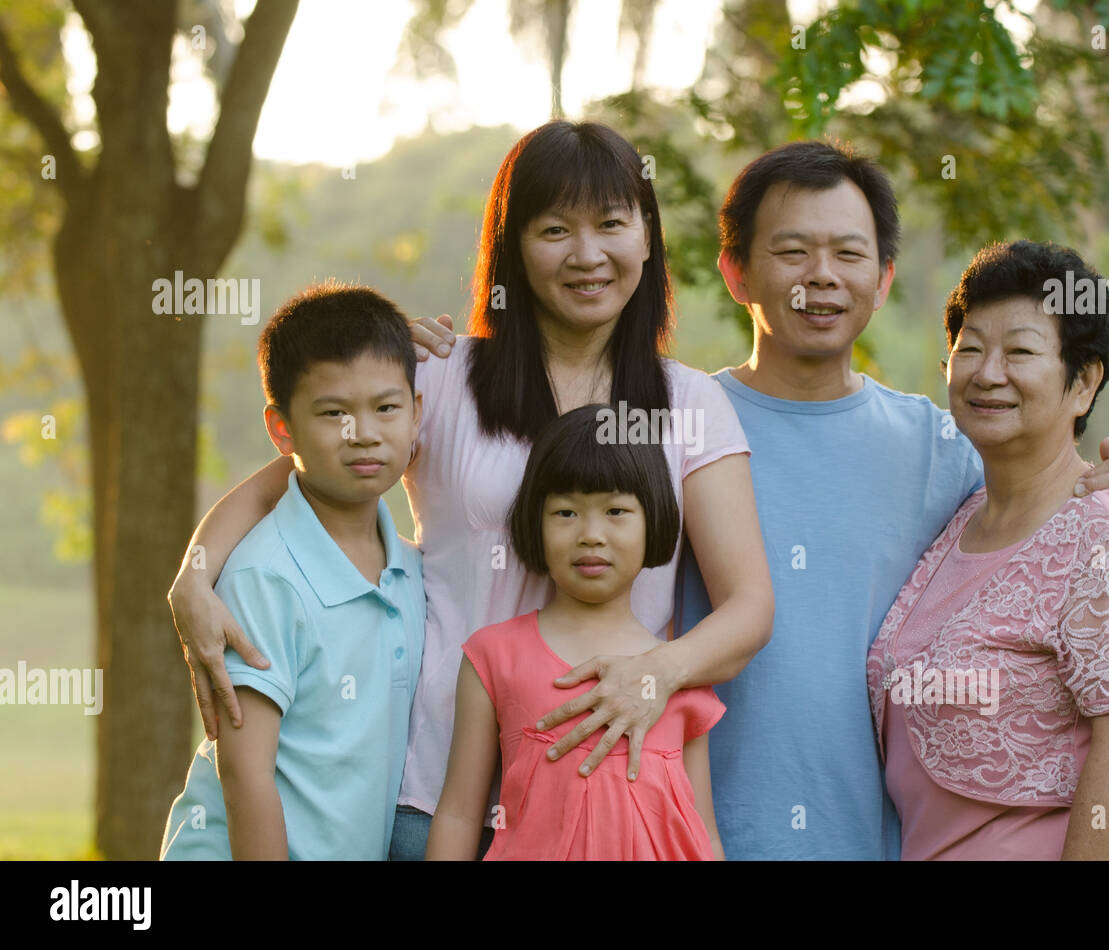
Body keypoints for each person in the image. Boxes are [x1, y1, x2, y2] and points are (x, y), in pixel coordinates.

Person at [165, 121, 773, 861]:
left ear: (647, 237)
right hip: (427, 793)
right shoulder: (442, 377)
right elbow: (300, 468)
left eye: (612, 224)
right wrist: (195, 576)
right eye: (555, 229)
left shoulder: (688, 404)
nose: (587, 255)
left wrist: (653, 678)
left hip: (594, 792)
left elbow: (748, 609)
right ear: (514, 244)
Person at [670, 140, 1109, 859]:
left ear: (882, 280)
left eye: (848, 254)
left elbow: (1060, 515)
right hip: (703, 833)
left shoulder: (942, 450)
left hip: (884, 843)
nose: (822, 277)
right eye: (792, 251)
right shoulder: (676, 426)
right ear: (735, 271)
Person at [867, 240, 1109, 860]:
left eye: (1021, 352)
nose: (987, 372)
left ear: (1083, 383)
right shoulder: (956, 522)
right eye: (971, 348)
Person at [160, 283, 426, 859]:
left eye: (386, 407)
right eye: (334, 413)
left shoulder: (412, 569)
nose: (365, 433)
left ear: (416, 412)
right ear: (282, 429)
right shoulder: (266, 577)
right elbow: (244, 774)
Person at [428, 405, 725, 860]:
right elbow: (460, 814)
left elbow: (700, 826)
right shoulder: (494, 656)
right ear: (536, 522)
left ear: (655, 521)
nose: (590, 534)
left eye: (616, 511)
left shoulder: (679, 673)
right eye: (566, 512)